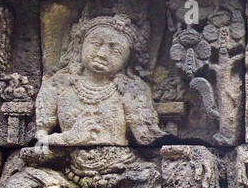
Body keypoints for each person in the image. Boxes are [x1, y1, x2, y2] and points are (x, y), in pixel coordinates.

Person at [35, 14, 165, 147]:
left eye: (115, 51)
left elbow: (148, 138)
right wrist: (69, 137)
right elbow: (37, 143)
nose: (102, 54)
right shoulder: (58, 84)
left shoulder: (132, 88)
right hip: (65, 163)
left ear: (128, 60)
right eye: (96, 44)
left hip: (123, 163)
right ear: (80, 45)